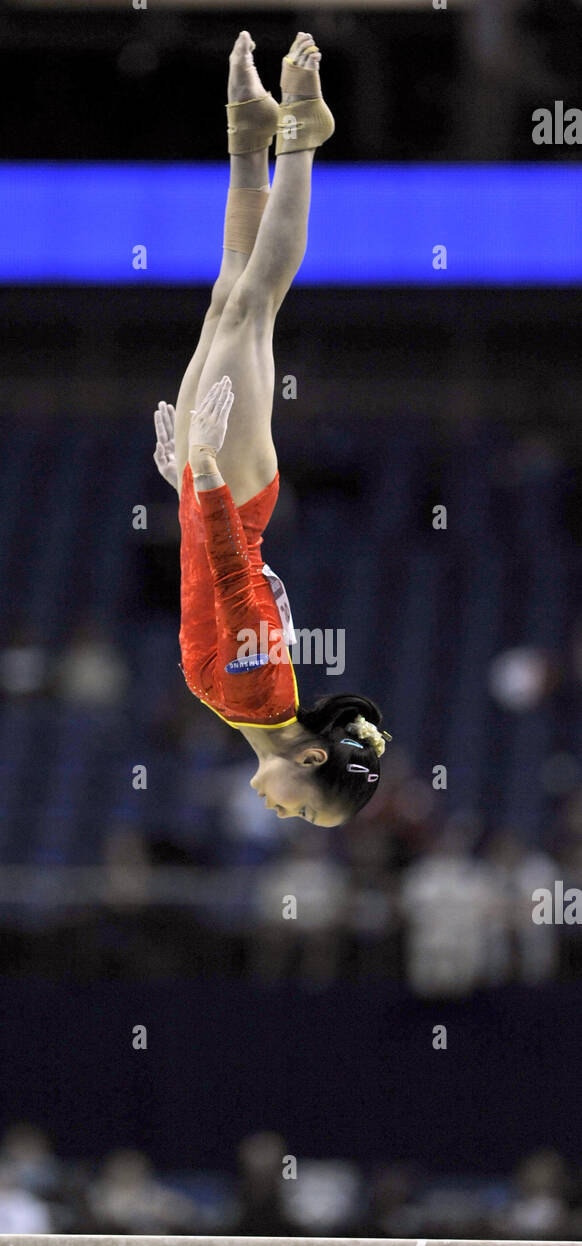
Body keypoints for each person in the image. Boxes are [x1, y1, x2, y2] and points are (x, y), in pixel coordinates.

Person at [154, 31, 390, 826]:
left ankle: (247, 133)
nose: (286, 814)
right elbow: (237, 581)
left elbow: (206, 587)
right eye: (305, 811)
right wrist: (212, 480)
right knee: (255, 306)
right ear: (312, 760)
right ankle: (301, 137)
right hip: (236, 491)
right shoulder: (263, 696)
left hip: (211, 489)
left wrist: (182, 487)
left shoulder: (246, 715)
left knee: (227, 297)